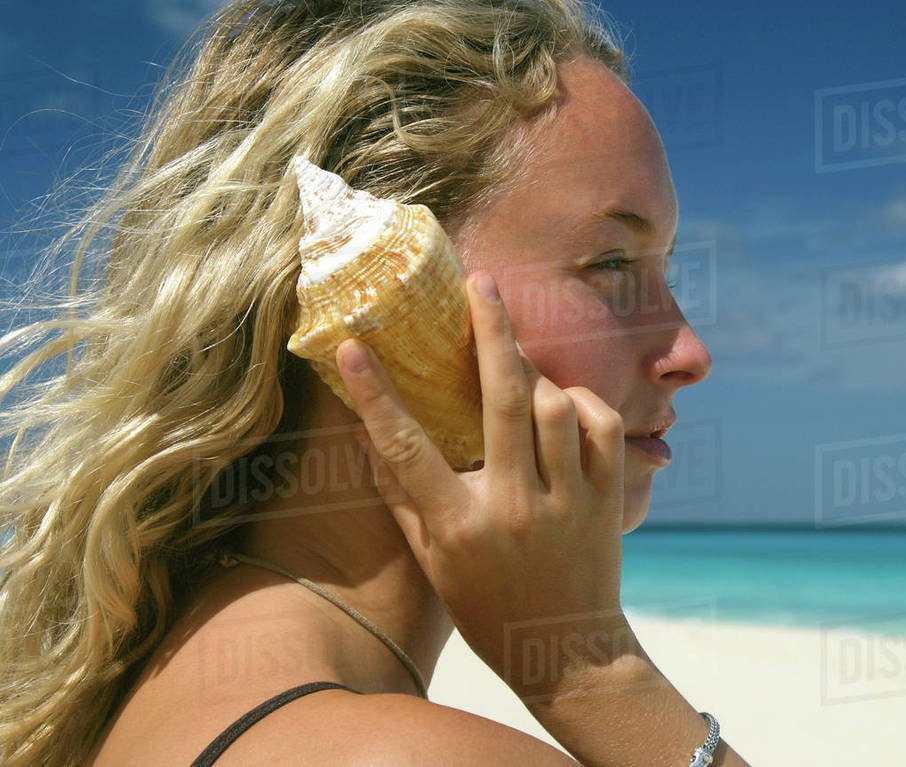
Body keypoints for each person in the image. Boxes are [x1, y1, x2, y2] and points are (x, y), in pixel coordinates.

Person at [0, 1, 745, 764]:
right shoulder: (402, 756)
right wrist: (592, 670)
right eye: (612, 263)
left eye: (667, 269)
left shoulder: (175, 674)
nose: (689, 350)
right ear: (387, 305)